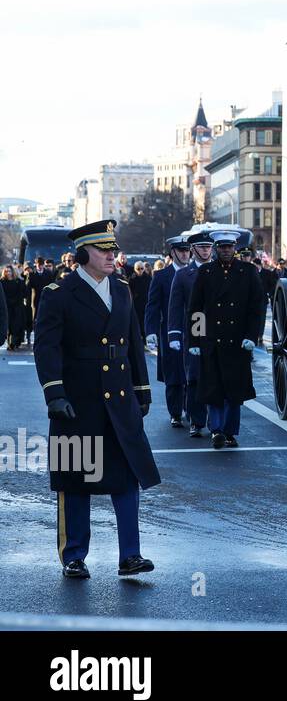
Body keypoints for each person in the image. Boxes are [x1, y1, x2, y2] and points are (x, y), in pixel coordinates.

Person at [33, 220, 160, 579]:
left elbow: (133, 341)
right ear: (83, 253)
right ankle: (73, 555)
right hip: (77, 400)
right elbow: (46, 346)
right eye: (104, 250)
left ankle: (130, 555)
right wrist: (54, 392)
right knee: (75, 479)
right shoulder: (59, 292)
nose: (112, 256)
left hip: (119, 400)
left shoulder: (121, 289)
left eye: (113, 250)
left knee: (126, 477)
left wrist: (141, 390)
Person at [186, 229, 267, 449]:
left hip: (238, 341)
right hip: (212, 340)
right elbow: (196, 309)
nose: (226, 250)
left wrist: (252, 336)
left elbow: (256, 307)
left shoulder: (248, 271)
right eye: (221, 247)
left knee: (234, 391)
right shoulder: (206, 272)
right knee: (214, 390)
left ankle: (230, 432)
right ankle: (217, 430)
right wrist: (195, 340)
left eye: (229, 247)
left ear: (235, 248)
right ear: (216, 249)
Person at [167, 230, 214, 437]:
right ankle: (196, 421)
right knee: (194, 377)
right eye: (202, 247)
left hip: (218, 331)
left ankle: (216, 424)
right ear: (193, 249)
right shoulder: (183, 275)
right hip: (195, 329)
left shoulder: (220, 271)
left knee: (216, 377)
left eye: (208, 247)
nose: (206, 250)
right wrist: (174, 334)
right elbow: (175, 307)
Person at [144, 235, 192, 428]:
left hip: (194, 331)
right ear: (173, 253)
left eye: (187, 250)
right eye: (181, 251)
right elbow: (153, 306)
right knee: (173, 375)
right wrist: (150, 331)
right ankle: (175, 413)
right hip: (169, 330)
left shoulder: (196, 273)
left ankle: (192, 410)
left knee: (194, 373)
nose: (185, 254)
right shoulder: (161, 276)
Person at [2, 265, 25, 351]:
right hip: (7, 307)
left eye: (10, 271)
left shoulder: (17, 281)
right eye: (6, 271)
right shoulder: (2, 282)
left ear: (13, 272)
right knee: (8, 326)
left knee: (15, 326)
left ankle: (13, 343)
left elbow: (21, 294)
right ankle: (9, 343)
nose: (8, 273)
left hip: (16, 307)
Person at [129, 261, 152, 330]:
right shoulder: (132, 279)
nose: (140, 270)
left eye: (142, 268)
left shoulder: (148, 278)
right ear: (135, 269)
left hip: (146, 303)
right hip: (136, 305)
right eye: (138, 269)